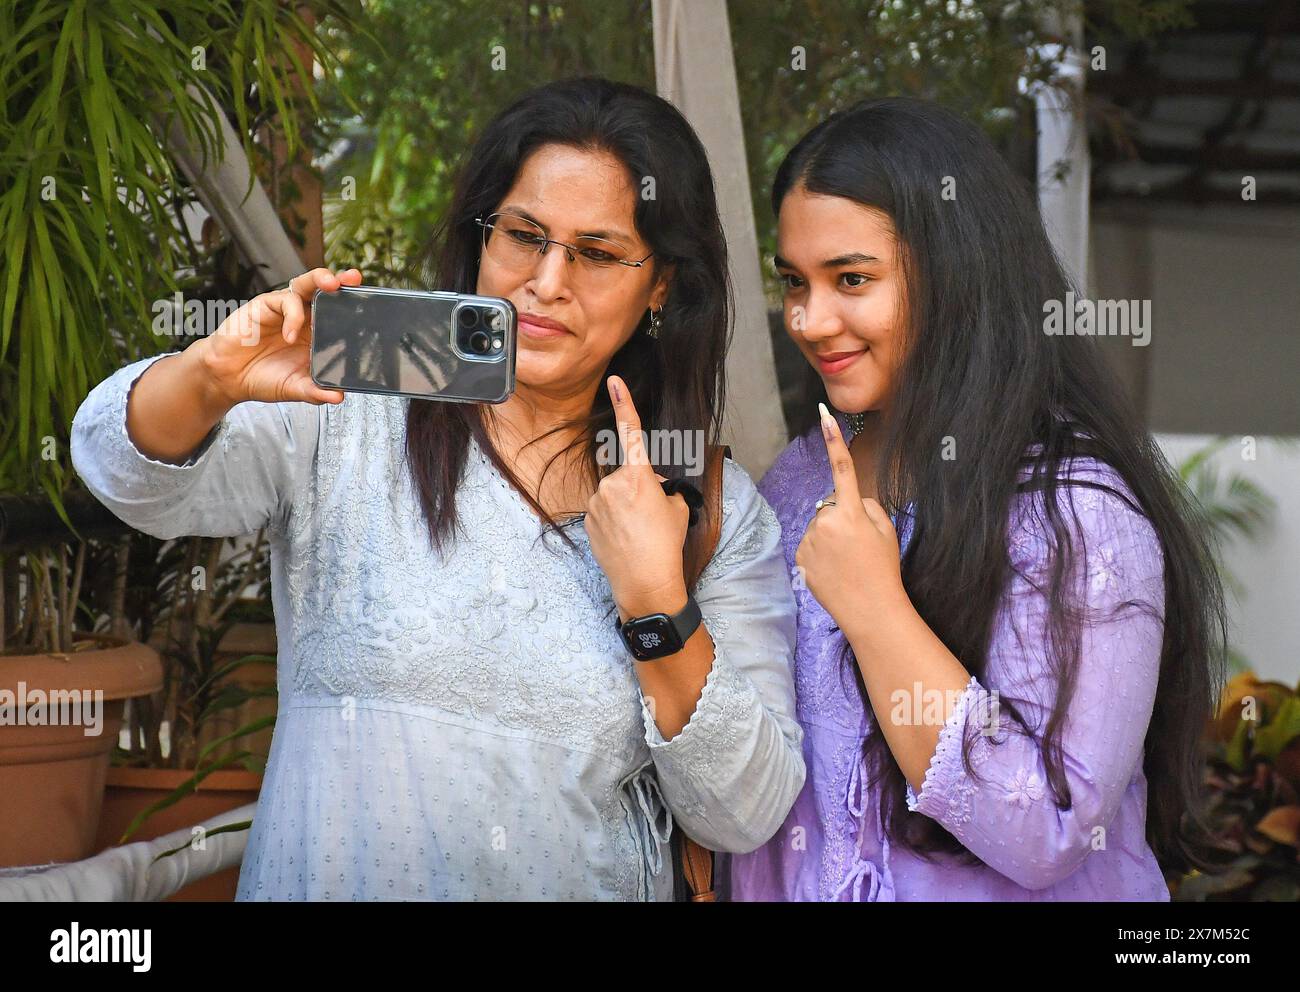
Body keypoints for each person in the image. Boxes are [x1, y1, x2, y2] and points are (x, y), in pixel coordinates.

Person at [71, 76, 805, 901]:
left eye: (597, 253)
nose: (549, 281)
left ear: (661, 283)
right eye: (524, 235)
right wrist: (209, 377)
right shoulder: (347, 413)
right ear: (481, 237)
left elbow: (745, 811)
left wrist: (656, 604)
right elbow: (119, 472)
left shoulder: (708, 506)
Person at [722, 97, 1225, 901]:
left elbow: (1049, 826)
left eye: (851, 279)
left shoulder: (1075, 513)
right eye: (794, 282)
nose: (811, 320)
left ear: (957, 269)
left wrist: (876, 609)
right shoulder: (799, 480)